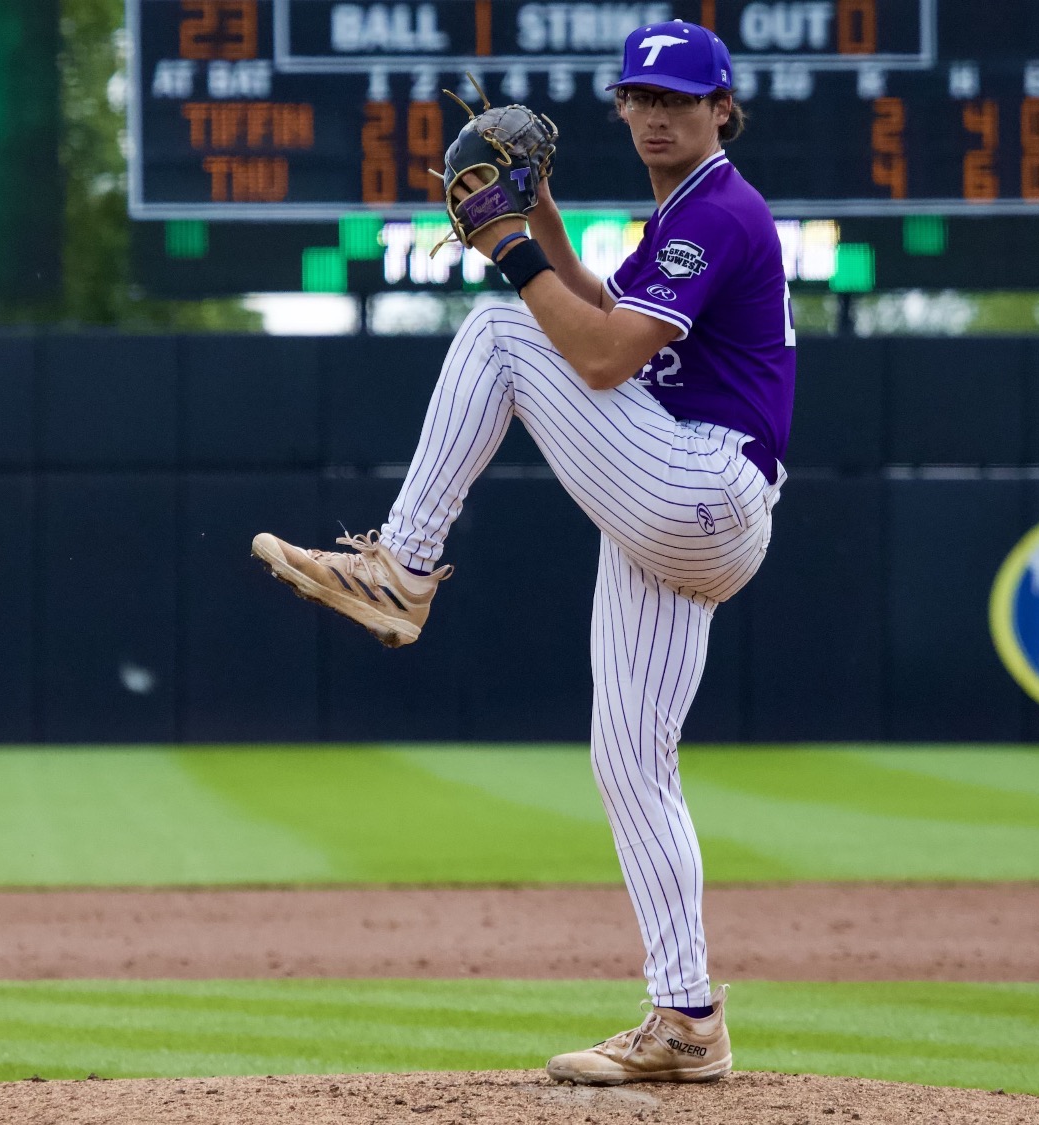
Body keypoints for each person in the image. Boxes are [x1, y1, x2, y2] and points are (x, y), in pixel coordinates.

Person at [251, 19, 792, 1085]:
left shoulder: (719, 211)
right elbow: (598, 309)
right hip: (686, 506)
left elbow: (591, 358)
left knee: (502, 331)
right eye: (637, 97)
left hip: (701, 488)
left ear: (723, 108)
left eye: (679, 98)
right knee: (630, 761)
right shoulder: (678, 215)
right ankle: (686, 1019)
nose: (653, 114)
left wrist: (503, 244)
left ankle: (402, 569)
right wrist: (536, 208)